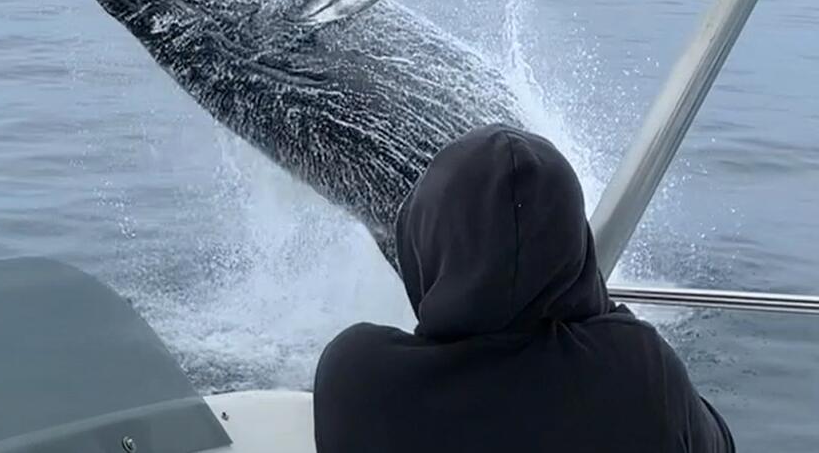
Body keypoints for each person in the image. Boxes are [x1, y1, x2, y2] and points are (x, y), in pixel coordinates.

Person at [313, 124, 735, 453]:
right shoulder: (639, 370)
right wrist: (590, 304)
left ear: (423, 241)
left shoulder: (355, 376)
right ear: (575, 244)